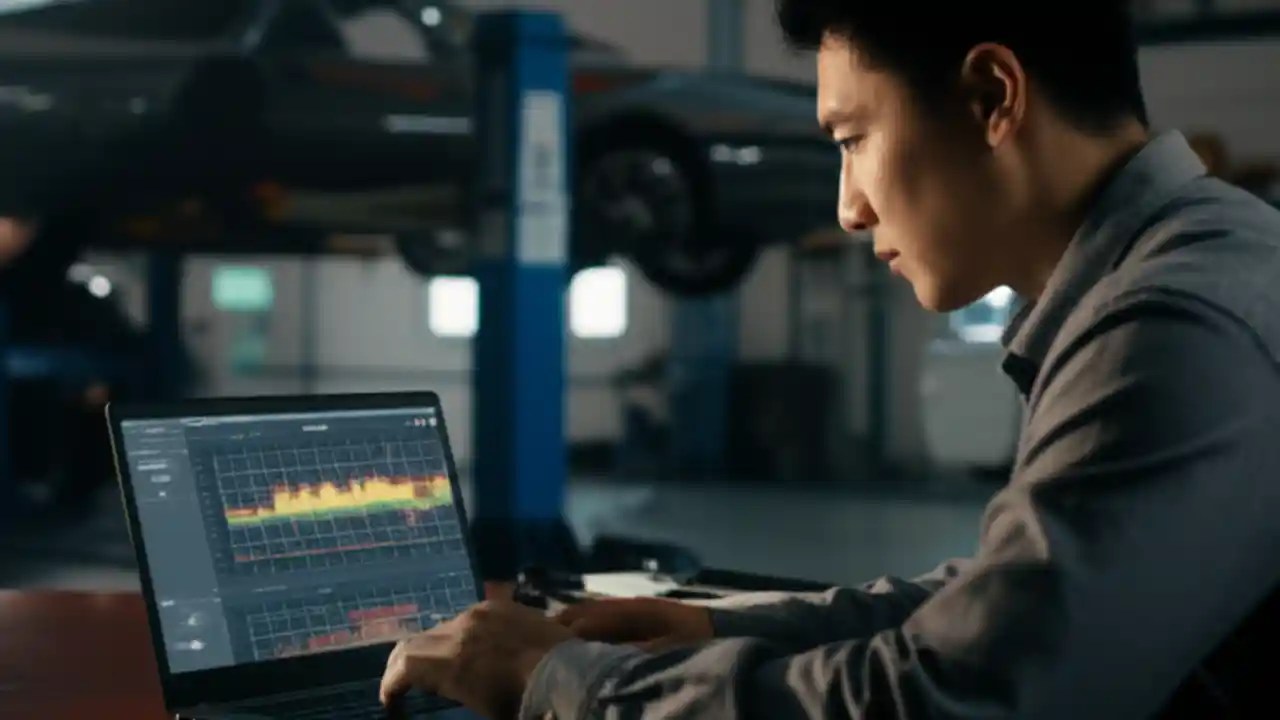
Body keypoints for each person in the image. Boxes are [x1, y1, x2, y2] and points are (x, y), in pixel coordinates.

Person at [379, 1, 1280, 717]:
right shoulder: (1207, 260)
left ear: (992, 97)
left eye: (852, 140)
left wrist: (565, 688)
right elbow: (1010, 604)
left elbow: (954, 697)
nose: (847, 207)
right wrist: (714, 626)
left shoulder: (1170, 327)